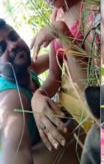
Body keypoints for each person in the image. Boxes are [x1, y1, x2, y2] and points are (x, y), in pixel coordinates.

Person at [26, 0, 100, 154]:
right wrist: (38, 96)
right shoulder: (57, 14)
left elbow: (91, 90)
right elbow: (54, 77)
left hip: (93, 117)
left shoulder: (94, 10)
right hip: (74, 115)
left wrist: (63, 34)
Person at [0, 19, 79, 164]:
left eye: (13, 37)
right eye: (1, 48)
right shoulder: (11, 98)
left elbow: (57, 57)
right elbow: (18, 150)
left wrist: (58, 30)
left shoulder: (27, 69)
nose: (12, 46)